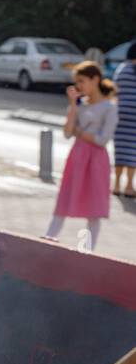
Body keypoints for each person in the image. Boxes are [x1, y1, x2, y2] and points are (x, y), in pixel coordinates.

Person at [44, 61, 117, 250]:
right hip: (77, 157)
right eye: (77, 82)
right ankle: (48, 238)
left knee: (94, 206)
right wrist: (73, 106)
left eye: (82, 81)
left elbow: (102, 140)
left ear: (96, 79)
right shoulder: (80, 105)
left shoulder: (109, 107)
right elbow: (68, 132)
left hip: (96, 161)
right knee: (65, 198)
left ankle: (87, 250)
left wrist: (79, 132)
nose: (79, 86)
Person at [112, 41, 136, 197]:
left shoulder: (121, 70)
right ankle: (128, 186)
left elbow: (115, 92)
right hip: (134, 118)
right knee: (133, 153)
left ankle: (116, 185)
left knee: (120, 152)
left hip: (119, 116)